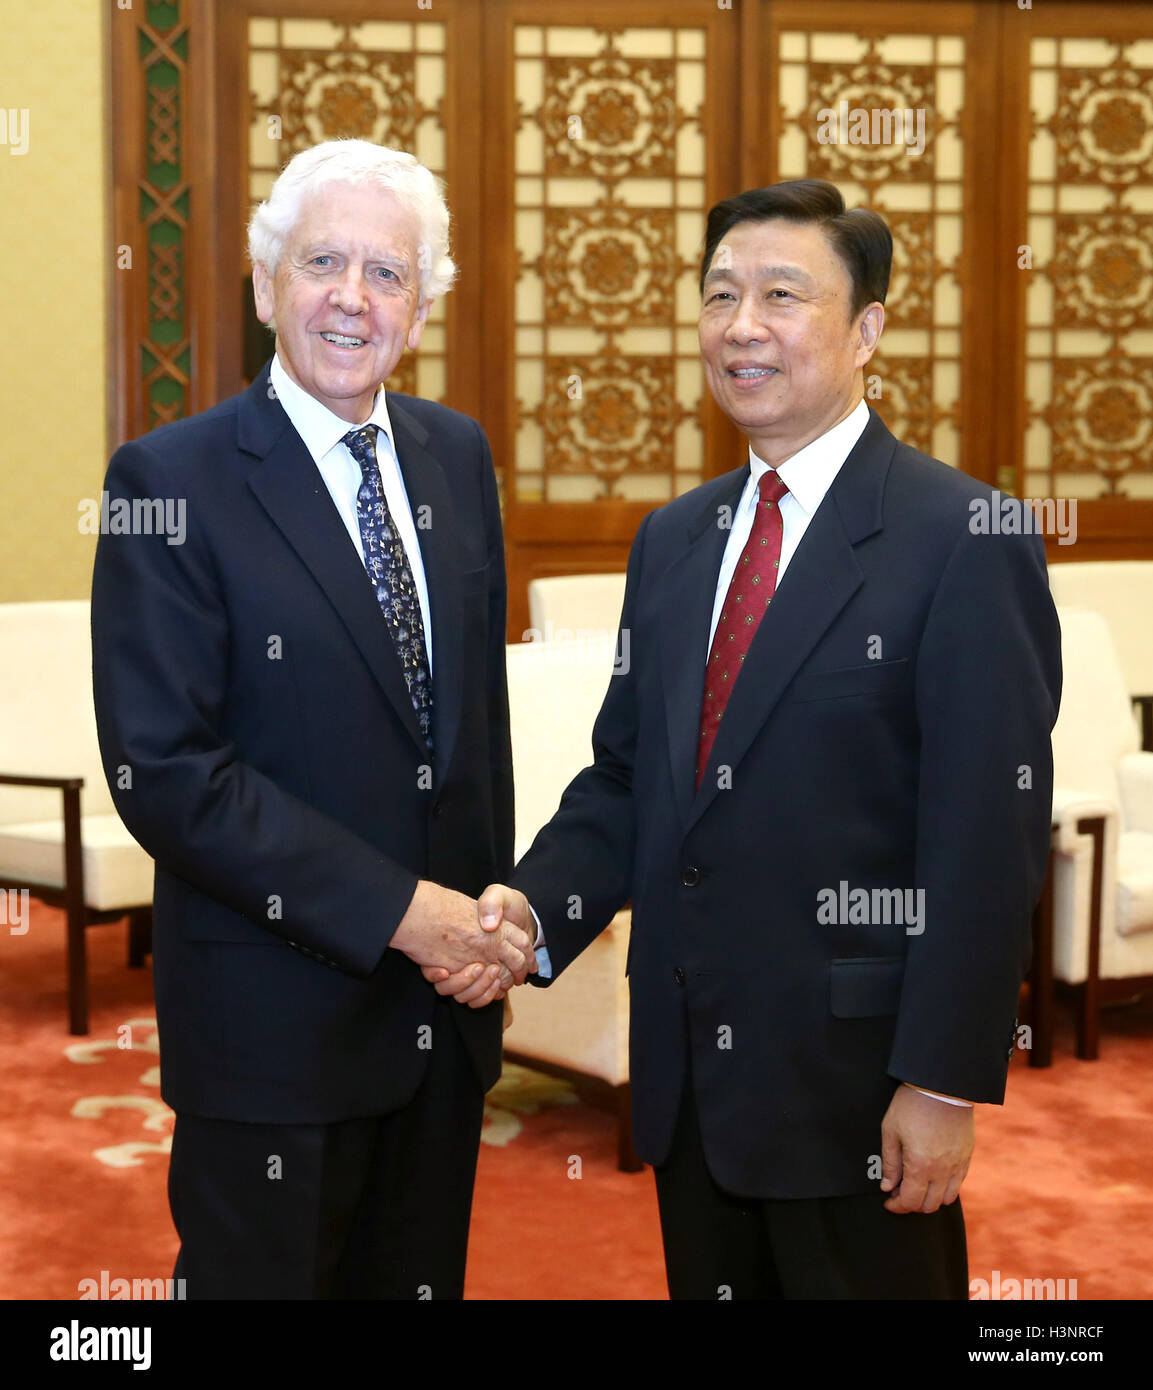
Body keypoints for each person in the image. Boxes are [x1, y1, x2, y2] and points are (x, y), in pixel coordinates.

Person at [429, 179, 1061, 1300]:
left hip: (856, 1087)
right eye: (720, 295)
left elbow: (984, 839)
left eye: (781, 294)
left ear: (866, 328)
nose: (740, 326)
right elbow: (628, 780)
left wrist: (944, 1082)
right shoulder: (675, 539)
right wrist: (527, 916)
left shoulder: (965, 534)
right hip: (693, 1076)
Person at [91, 139, 534, 1300]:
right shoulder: (165, 482)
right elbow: (169, 774)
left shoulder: (457, 456)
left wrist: (484, 926)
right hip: (272, 1029)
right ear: (263, 284)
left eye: (387, 273)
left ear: (423, 303)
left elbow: (469, 728)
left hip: (443, 1021)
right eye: (321, 262)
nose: (351, 297)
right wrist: (406, 914)